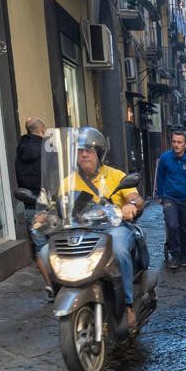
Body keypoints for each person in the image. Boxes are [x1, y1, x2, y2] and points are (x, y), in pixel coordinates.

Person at [34, 127, 145, 326]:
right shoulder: (67, 182)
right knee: (44, 252)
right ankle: (62, 292)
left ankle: (127, 304)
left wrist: (131, 205)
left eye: (90, 150)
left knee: (119, 249)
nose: (84, 154)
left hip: (113, 228)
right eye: (80, 150)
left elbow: (135, 197)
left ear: (100, 154)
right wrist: (45, 214)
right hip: (78, 231)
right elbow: (56, 207)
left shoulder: (114, 175)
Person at [154, 129, 186, 270]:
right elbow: (160, 177)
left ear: (185, 145)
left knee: (184, 228)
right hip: (169, 198)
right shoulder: (165, 158)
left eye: (179, 142)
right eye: (174, 142)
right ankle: (175, 254)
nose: (176, 145)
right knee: (172, 225)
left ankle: (184, 255)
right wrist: (160, 195)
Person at [16, 117, 48, 286]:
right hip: (49, 205)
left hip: (29, 204)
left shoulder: (20, 151)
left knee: (40, 248)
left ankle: (50, 285)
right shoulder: (47, 150)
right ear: (43, 131)